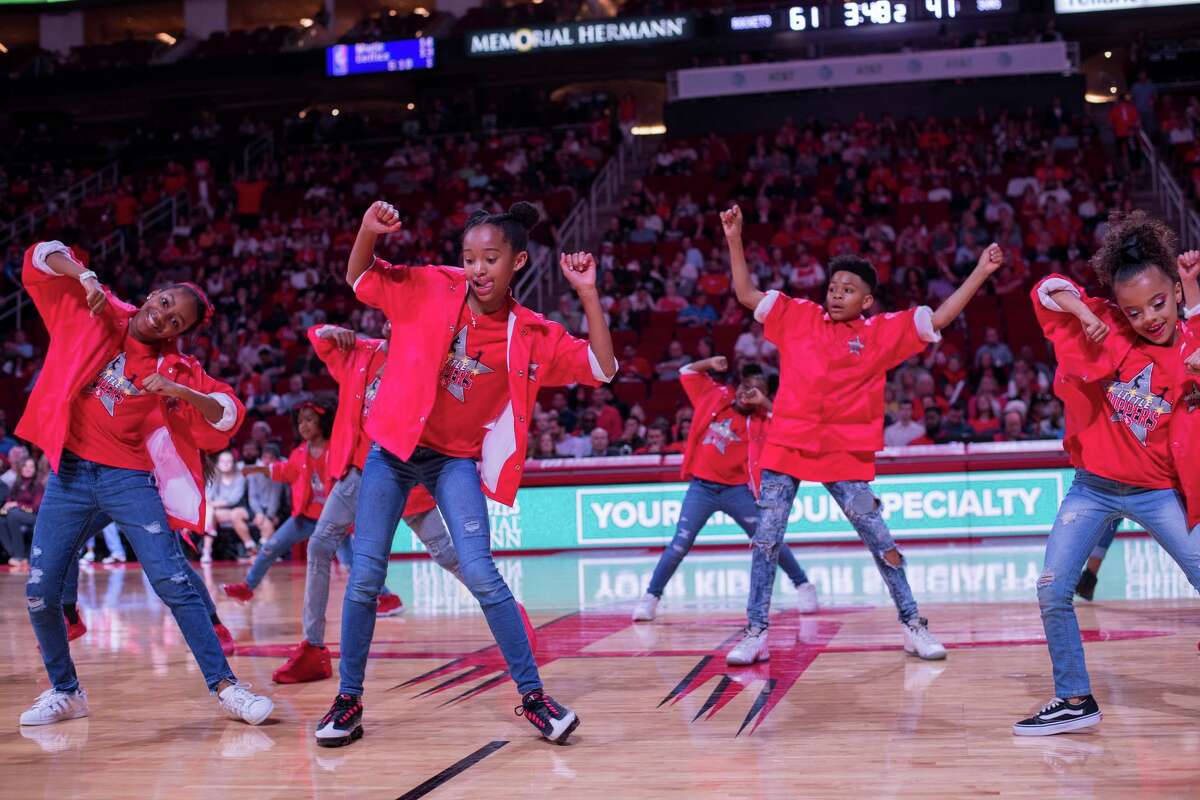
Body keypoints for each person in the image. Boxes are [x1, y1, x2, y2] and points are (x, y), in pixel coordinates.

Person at [316, 200, 616, 748]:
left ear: (518, 262)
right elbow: (359, 276)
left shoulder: (529, 333)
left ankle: (533, 697)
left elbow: (601, 368)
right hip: (392, 449)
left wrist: (588, 294)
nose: (478, 268)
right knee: (364, 577)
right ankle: (347, 700)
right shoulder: (431, 285)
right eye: (470, 257)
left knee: (482, 574)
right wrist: (366, 229)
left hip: (454, 458)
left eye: (492, 258)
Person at [722, 205, 1004, 666]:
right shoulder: (798, 315)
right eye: (833, 287)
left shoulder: (880, 334)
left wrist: (980, 271)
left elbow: (938, 319)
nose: (837, 295)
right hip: (787, 444)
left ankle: (913, 624)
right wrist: (735, 238)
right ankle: (755, 633)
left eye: (848, 290)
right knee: (766, 541)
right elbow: (746, 292)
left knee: (880, 540)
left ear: (866, 300)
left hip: (843, 454)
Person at [14, 239, 273, 727]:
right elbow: (39, 255)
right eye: (166, 304)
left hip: (127, 480)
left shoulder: (176, 369)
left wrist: (181, 392)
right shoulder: (99, 308)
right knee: (40, 590)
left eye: (177, 323)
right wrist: (84, 276)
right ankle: (65, 692)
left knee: (174, 583)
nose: (164, 318)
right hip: (68, 475)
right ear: (154, 294)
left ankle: (227, 687)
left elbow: (228, 415)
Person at [1013, 215, 1200, 736]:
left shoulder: (1190, 345)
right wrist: (1081, 310)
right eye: (1134, 309)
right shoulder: (1105, 327)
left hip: (1158, 492)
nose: (1148, 318)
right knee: (1052, 590)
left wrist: (1194, 288)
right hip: (1091, 488)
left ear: (1174, 292)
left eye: (1159, 303)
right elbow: (1046, 289)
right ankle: (1074, 697)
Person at [272, 323, 485, 684]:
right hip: (359, 471)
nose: (395, 321)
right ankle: (312, 648)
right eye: (392, 314)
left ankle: (506, 610)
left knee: (446, 554)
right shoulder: (361, 352)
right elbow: (315, 338)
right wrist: (331, 330)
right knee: (321, 545)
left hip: (406, 472)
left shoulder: (431, 361)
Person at [631, 359, 818, 623]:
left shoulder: (762, 419)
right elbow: (686, 372)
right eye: (744, 387)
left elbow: (789, 428)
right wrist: (708, 362)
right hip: (702, 487)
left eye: (756, 391)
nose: (747, 393)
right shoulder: (716, 396)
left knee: (767, 539)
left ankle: (803, 585)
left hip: (738, 491)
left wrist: (763, 403)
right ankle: (650, 597)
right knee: (679, 544)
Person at [221, 402, 332, 600]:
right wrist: (256, 469)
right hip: (305, 517)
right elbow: (283, 471)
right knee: (270, 547)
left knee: (351, 561)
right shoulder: (299, 453)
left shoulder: (335, 448)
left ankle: (384, 596)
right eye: (300, 422)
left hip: (333, 518)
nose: (304, 426)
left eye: (309, 420)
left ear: (322, 422)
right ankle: (247, 587)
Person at [204, 449, 258, 563]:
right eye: (222, 461)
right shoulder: (214, 475)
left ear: (234, 463)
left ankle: (207, 550)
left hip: (239, 509)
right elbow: (208, 495)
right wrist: (213, 504)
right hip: (218, 512)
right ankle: (206, 551)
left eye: (229, 461)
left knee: (213, 512)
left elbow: (234, 500)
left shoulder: (240, 477)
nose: (225, 464)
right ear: (218, 463)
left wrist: (214, 503)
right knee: (210, 512)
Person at [0, 456, 40, 571]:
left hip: (33, 516)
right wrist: (7, 505)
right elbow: (9, 498)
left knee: (13, 514)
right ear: (21, 468)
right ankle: (15, 554)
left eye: (31, 466)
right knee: (1, 520)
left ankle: (18, 555)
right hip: (17, 514)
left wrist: (17, 505)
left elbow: (35, 507)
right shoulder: (17, 483)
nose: (28, 469)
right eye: (25, 466)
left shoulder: (38, 486)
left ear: (35, 469)